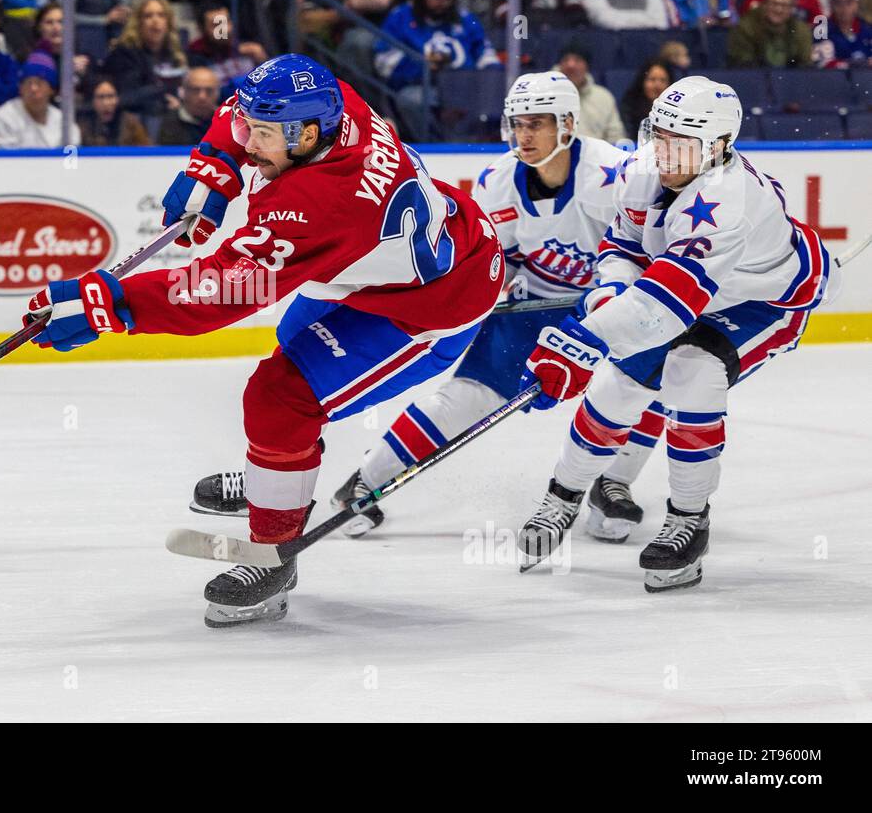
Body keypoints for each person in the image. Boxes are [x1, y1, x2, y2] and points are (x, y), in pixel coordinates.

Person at [20, 54, 505, 626]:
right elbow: (238, 112)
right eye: (252, 131)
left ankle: (273, 553)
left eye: (263, 136)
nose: (250, 142)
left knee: (280, 398)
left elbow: (217, 291)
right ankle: (273, 482)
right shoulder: (334, 102)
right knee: (291, 347)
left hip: (430, 303)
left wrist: (109, 305)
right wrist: (214, 164)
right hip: (381, 261)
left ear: (305, 135)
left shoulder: (318, 204)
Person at [192, 72, 657, 539]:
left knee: (640, 378)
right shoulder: (498, 181)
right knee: (467, 396)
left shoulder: (614, 176)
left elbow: (646, 245)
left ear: (569, 125)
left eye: (537, 123)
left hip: (616, 301)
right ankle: (362, 482)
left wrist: (624, 302)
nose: (524, 135)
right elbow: (505, 259)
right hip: (534, 303)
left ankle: (613, 483)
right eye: (517, 123)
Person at [517, 76, 838, 591]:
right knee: (620, 385)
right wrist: (605, 301)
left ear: (719, 148)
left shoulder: (727, 201)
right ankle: (563, 495)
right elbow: (622, 248)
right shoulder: (644, 168)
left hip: (762, 301)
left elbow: (665, 310)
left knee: (693, 371)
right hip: (687, 291)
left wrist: (586, 335)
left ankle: (689, 518)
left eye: (681, 145)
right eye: (658, 136)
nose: (665, 155)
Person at [374, 0, 500, 141]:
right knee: (411, 99)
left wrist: (490, 74)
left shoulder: (465, 18)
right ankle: (437, 147)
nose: (442, 3)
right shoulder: (400, 16)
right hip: (423, 87)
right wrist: (422, 65)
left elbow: (485, 52)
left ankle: (471, 144)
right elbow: (384, 63)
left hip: (464, 87)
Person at [100, 0, 188, 124]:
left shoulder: (175, 54)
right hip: (133, 122)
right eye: (148, 16)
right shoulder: (123, 53)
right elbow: (127, 98)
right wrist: (164, 93)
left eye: (161, 15)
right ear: (138, 23)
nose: (155, 21)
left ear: (168, 22)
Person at [0, 53, 78, 150]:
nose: (33, 88)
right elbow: (1, 159)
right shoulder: (4, 117)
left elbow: (72, 155)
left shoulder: (62, 121)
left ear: (51, 89)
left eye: (39, 83)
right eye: (28, 83)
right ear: (20, 88)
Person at [186, 5, 267, 95]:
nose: (224, 29)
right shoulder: (197, 55)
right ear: (202, 29)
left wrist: (262, 62)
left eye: (226, 22)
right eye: (216, 25)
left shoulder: (249, 47)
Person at [555, 43, 626, 143]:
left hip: (597, 156)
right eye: (566, 60)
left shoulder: (604, 97)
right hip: (555, 156)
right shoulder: (544, 95)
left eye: (577, 60)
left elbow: (616, 137)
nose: (570, 65)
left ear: (587, 66)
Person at [726, 0, 811, 68]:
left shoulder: (801, 30)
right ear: (764, 5)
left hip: (790, 80)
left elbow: (806, 66)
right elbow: (743, 65)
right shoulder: (746, 27)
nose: (778, 10)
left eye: (784, 5)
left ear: (792, 8)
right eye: (774, 4)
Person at [76, 76, 152, 147]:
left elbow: (147, 151)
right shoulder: (83, 125)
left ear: (118, 99)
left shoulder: (130, 123)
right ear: (93, 101)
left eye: (110, 96)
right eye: (100, 97)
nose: (106, 103)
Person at [812, 0, 872, 68]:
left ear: (857, 5)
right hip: (833, 80)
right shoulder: (822, 30)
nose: (844, 8)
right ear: (831, 5)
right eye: (838, 3)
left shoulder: (868, 30)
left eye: (848, 3)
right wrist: (851, 65)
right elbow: (821, 64)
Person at [156, 67, 222, 145]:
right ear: (183, 92)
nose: (202, 97)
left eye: (209, 90)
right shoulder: (168, 122)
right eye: (195, 90)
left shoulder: (229, 123)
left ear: (217, 93)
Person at [618, 58, 672, 140]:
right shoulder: (630, 105)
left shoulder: (676, 108)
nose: (657, 85)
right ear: (642, 81)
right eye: (652, 79)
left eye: (663, 80)